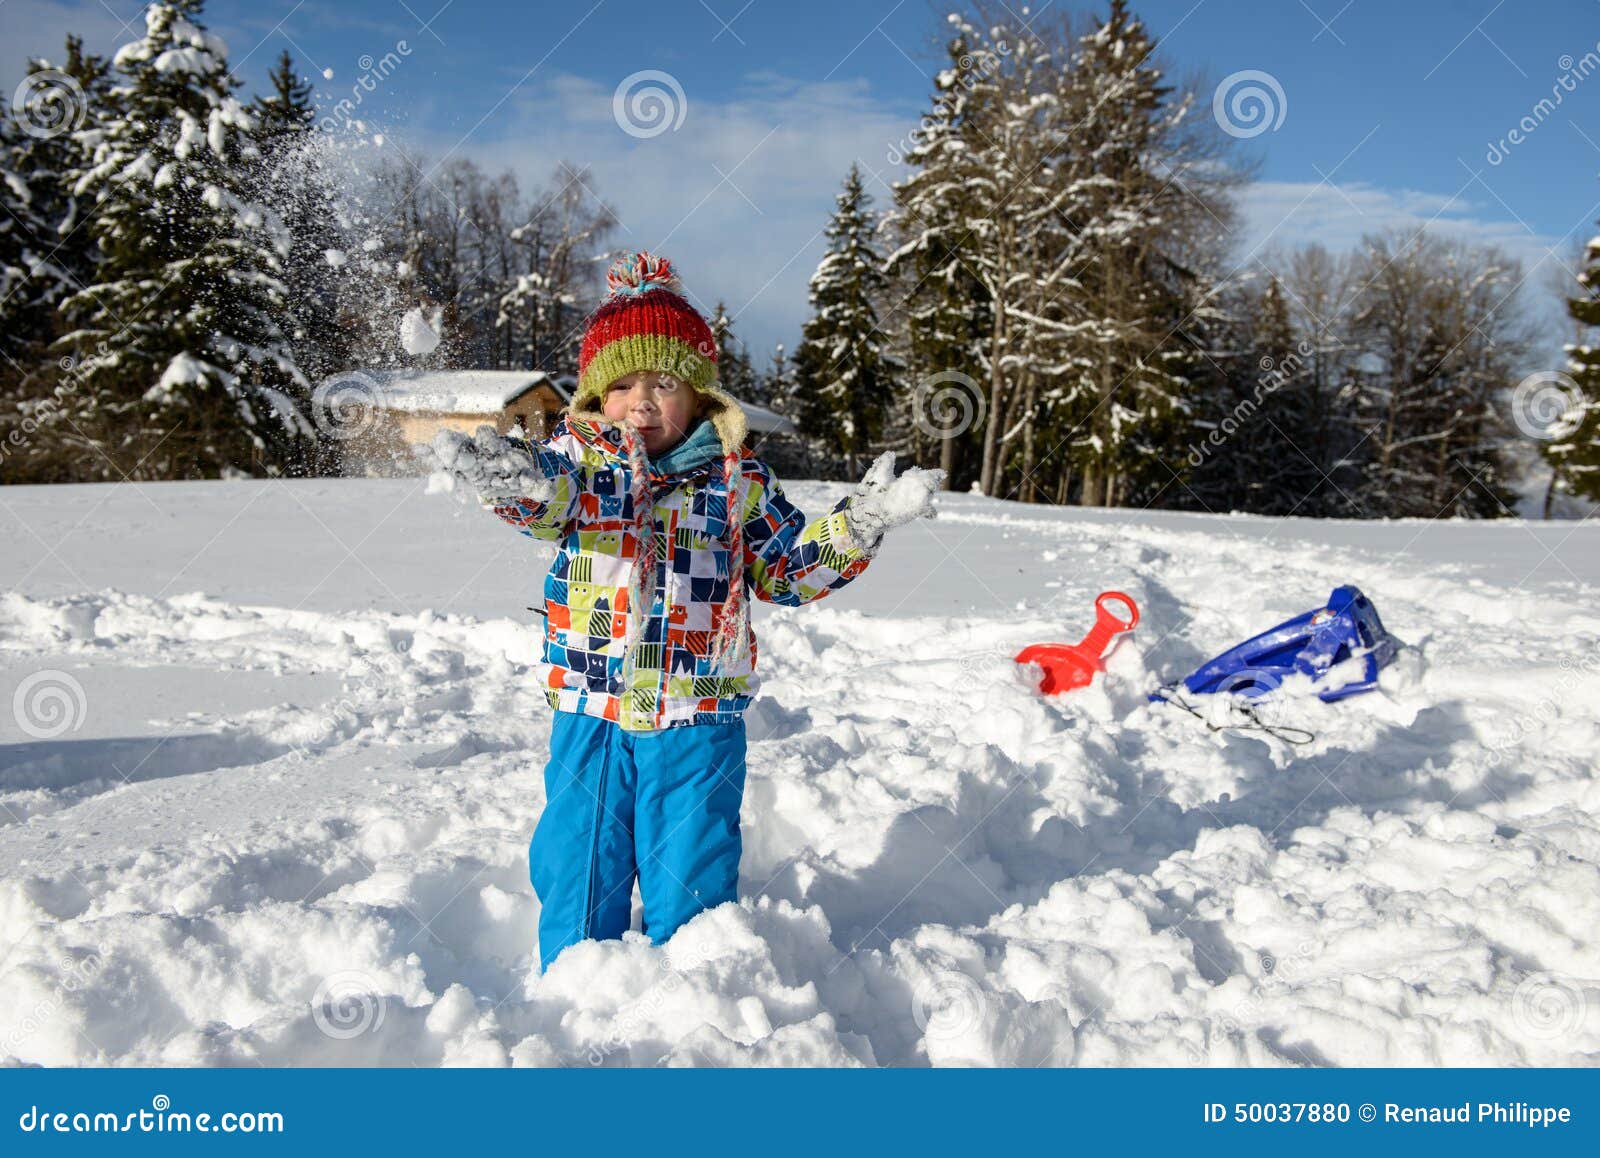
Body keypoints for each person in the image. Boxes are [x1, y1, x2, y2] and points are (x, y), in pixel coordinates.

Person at [427, 251, 944, 970]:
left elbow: (789, 569)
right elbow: (545, 500)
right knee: (578, 861)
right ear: (595, 398)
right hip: (593, 709)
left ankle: (692, 991)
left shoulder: (739, 483)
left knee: (690, 873)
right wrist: (507, 477)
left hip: (698, 716)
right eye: (623, 384)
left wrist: (859, 525)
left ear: (700, 398)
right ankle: (576, 982)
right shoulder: (581, 467)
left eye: (664, 383)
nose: (641, 401)